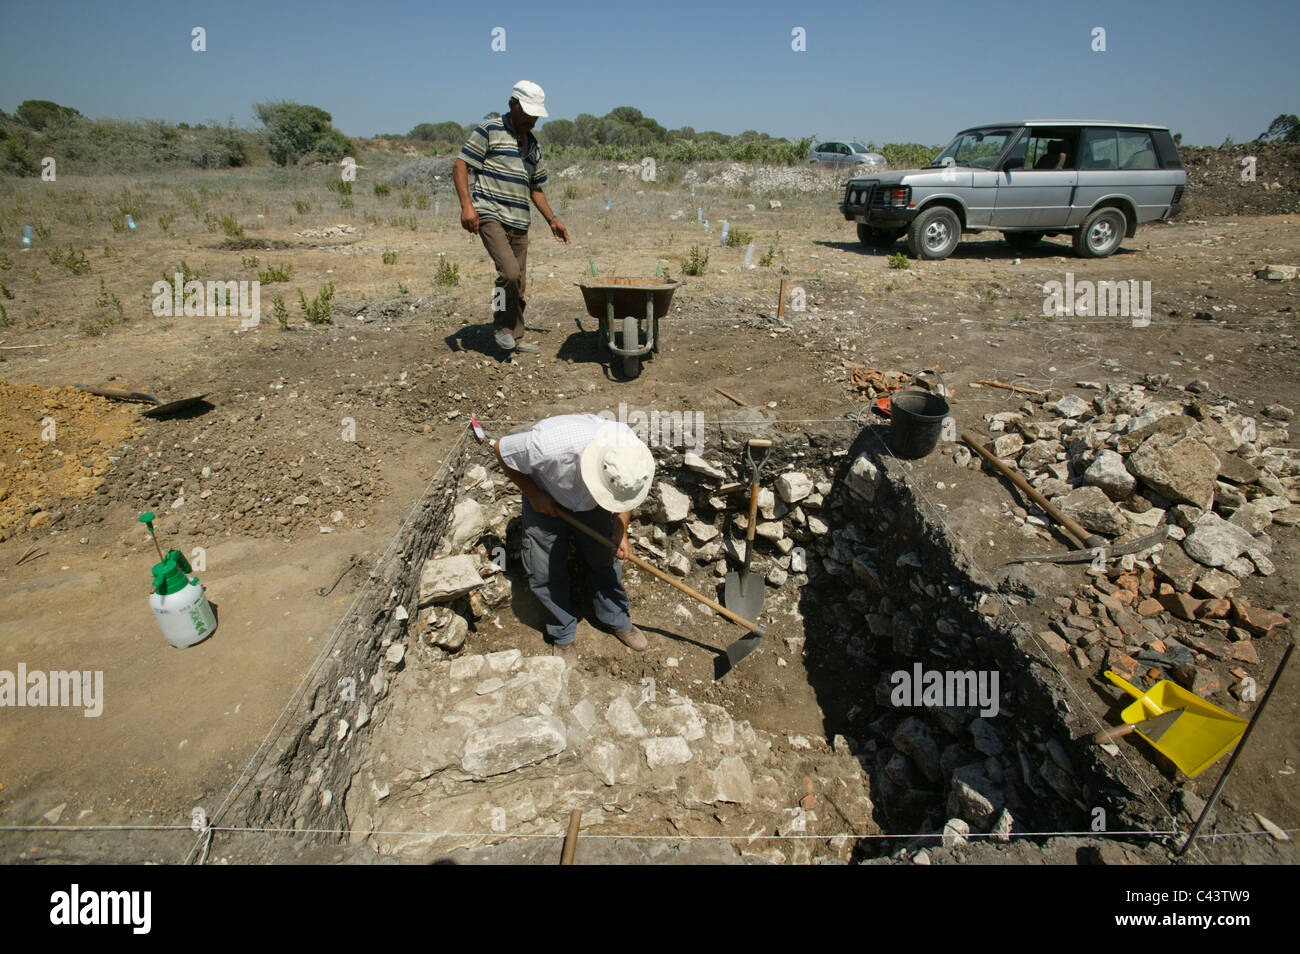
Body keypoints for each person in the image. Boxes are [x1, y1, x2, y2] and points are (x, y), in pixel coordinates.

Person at [493, 414, 654, 666]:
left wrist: (620, 528)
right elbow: (501, 449)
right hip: (546, 497)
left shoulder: (628, 451)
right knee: (544, 569)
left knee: (604, 557)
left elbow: (628, 495)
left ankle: (615, 618)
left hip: (592, 503)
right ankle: (562, 631)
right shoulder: (546, 447)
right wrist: (534, 494)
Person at [453, 80, 571, 355]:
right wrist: (467, 206)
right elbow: (461, 164)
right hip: (490, 214)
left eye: (536, 114)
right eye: (527, 112)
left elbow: (535, 187)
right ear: (512, 104)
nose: (532, 119)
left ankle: (515, 336)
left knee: (519, 284)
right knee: (508, 273)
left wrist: (552, 219)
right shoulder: (490, 129)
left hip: (520, 221)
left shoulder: (533, 145)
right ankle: (501, 327)